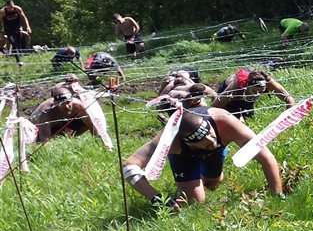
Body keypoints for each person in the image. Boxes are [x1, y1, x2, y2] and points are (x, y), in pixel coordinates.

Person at [120, 104, 283, 209]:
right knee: (195, 203)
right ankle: (189, 184)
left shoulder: (225, 122)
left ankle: (204, 177)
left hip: (216, 152)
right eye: (205, 144)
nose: (211, 141)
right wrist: (158, 199)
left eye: (212, 137)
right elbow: (128, 167)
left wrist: (277, 196)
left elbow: (266, 158)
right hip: (184, 157)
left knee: (214, 183)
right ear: (188, 143)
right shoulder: (170, 141)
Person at [211, 67, 296, 119]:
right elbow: (212, 109)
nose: (257, 94)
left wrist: (289, 117)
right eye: (255, 91)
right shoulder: (233, 90)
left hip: (246, 94)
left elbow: (289, 99)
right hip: (231, 94)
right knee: (233, 119)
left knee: (248, 117)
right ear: (247, 86)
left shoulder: (268, 82)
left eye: (261, 92)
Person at [28, 86, 98, 142]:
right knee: (40, 141)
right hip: (39, 129)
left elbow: (91, 124)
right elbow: (45, 140)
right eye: (62, 104)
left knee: (87, 120)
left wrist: (97, 140)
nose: (67, 106)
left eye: (68, 102)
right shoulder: (46, 112)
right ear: (55, 103)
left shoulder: (78, 105)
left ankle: (70, 139)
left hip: (62, 123)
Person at [3, 0, 32, 66]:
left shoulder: (17, 9)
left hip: (17, 29)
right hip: (8, 30)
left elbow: (24, 18)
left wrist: (28, 27)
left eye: (13, 7)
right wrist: (1, 33)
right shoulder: (3, 12)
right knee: (14, 44)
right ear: (7, 7)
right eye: (10, 8)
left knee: (19, 45)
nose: (12, 9)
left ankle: (18, 57)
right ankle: (19, 62)